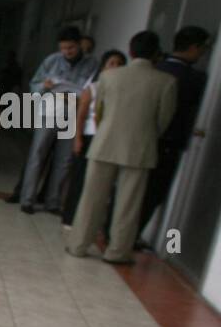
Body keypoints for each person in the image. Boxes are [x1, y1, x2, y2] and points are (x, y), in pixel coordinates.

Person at [66, 31, 177, 264]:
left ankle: (78, 244)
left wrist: (106, 130)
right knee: (129, 203)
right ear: (156, 54)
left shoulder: (110, 76)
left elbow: (100, 112)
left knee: (92, 197)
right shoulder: (166, 81)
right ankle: (117, 252)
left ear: (131, 50)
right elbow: (163, 120)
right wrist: (146, 135)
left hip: (105, 143)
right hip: (140, 148)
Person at [135, 25, 211, 247]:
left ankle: (115, 232)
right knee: (152, 192)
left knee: (132, 189)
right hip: (167, 143)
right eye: (202, 49)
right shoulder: (193, 78)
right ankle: (130, 237)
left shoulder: (155, 68)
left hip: (141, 139)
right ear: (194, 48)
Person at [19, 26, 98, 214]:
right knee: (37, 154)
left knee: (64, 160)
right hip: (49, 111)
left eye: (70, 48)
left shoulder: (92, 64)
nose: (66, 52)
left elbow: (94, 90)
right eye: (63, 48)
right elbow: (34, 84)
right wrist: (44, 87)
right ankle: (27, 199)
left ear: (79, 45)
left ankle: (52, 202)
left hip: (74, 115)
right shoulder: (51, 61)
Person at [61, 49, 126, 227]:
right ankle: (70, 217)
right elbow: (80, 116)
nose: (115, 67)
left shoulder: (123, 90)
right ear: (103, 66)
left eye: (120, 64)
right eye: (112, 63)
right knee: (80, 178)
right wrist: (78, 139)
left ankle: (89, 221)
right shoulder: (93, 88)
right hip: (90, 136)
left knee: (99, 183)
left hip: (109, 140)